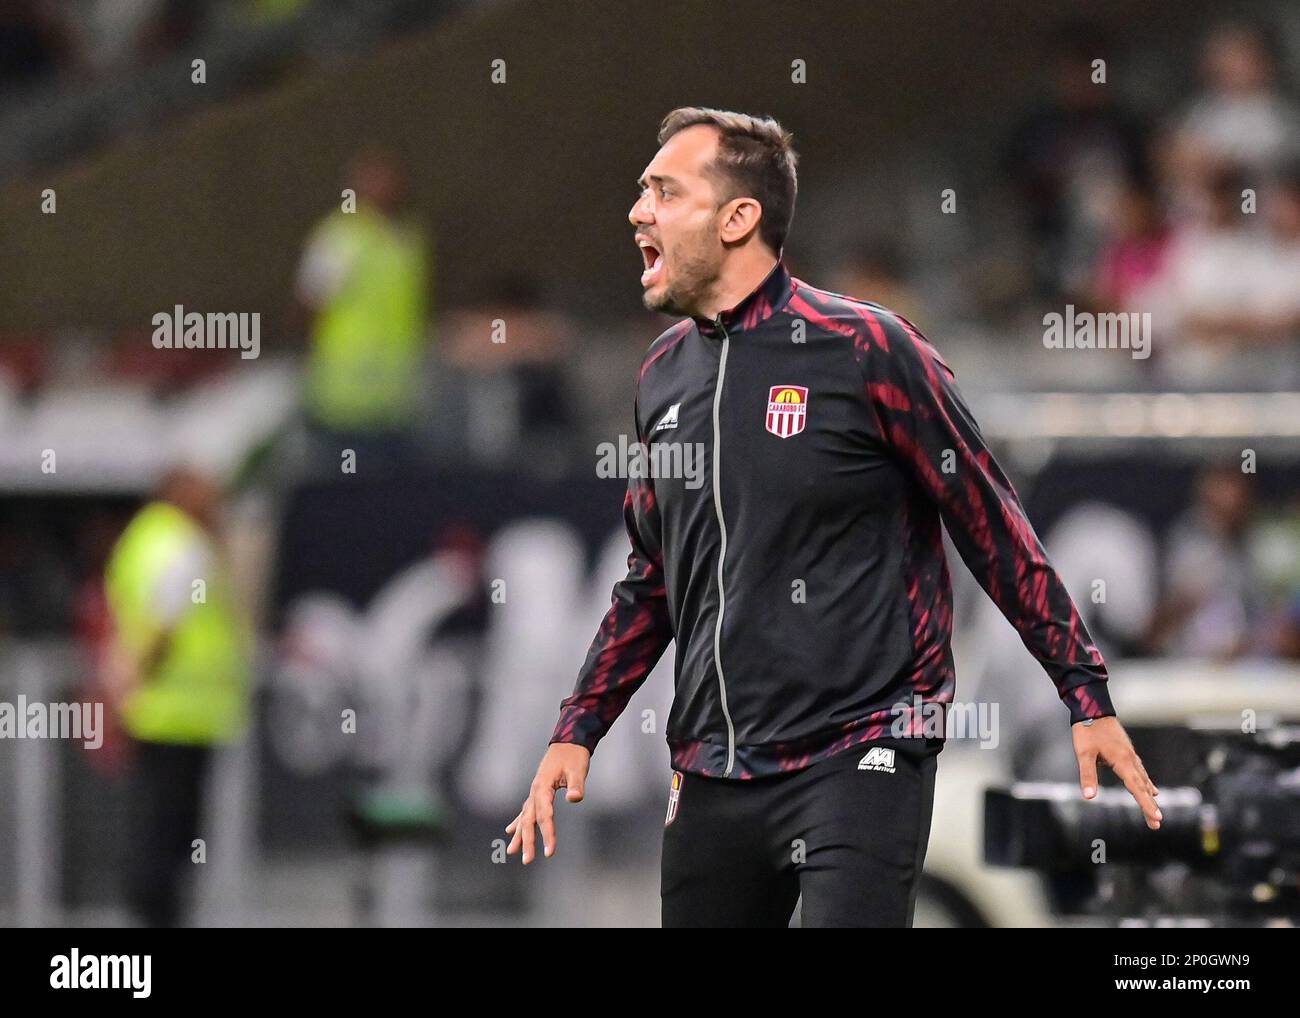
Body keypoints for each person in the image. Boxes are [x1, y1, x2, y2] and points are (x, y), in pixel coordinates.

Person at [507, 107, 1161, 928]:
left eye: (665, 192)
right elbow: (652, 579)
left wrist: (1084, 691)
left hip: (862, 748)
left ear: (738, 218)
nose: (639, 212)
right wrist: (578, 728)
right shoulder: (661, 377)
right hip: (713, 766)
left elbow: (991, 524)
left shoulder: (868, 349)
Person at [103, 465, 251, 926]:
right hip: (179, 715)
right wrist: (133, 678)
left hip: (164, 712)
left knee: (159, 835)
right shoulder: (181, 544)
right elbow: (162, 623)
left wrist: (123, 682)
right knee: (167, 841)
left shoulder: (147, 538)